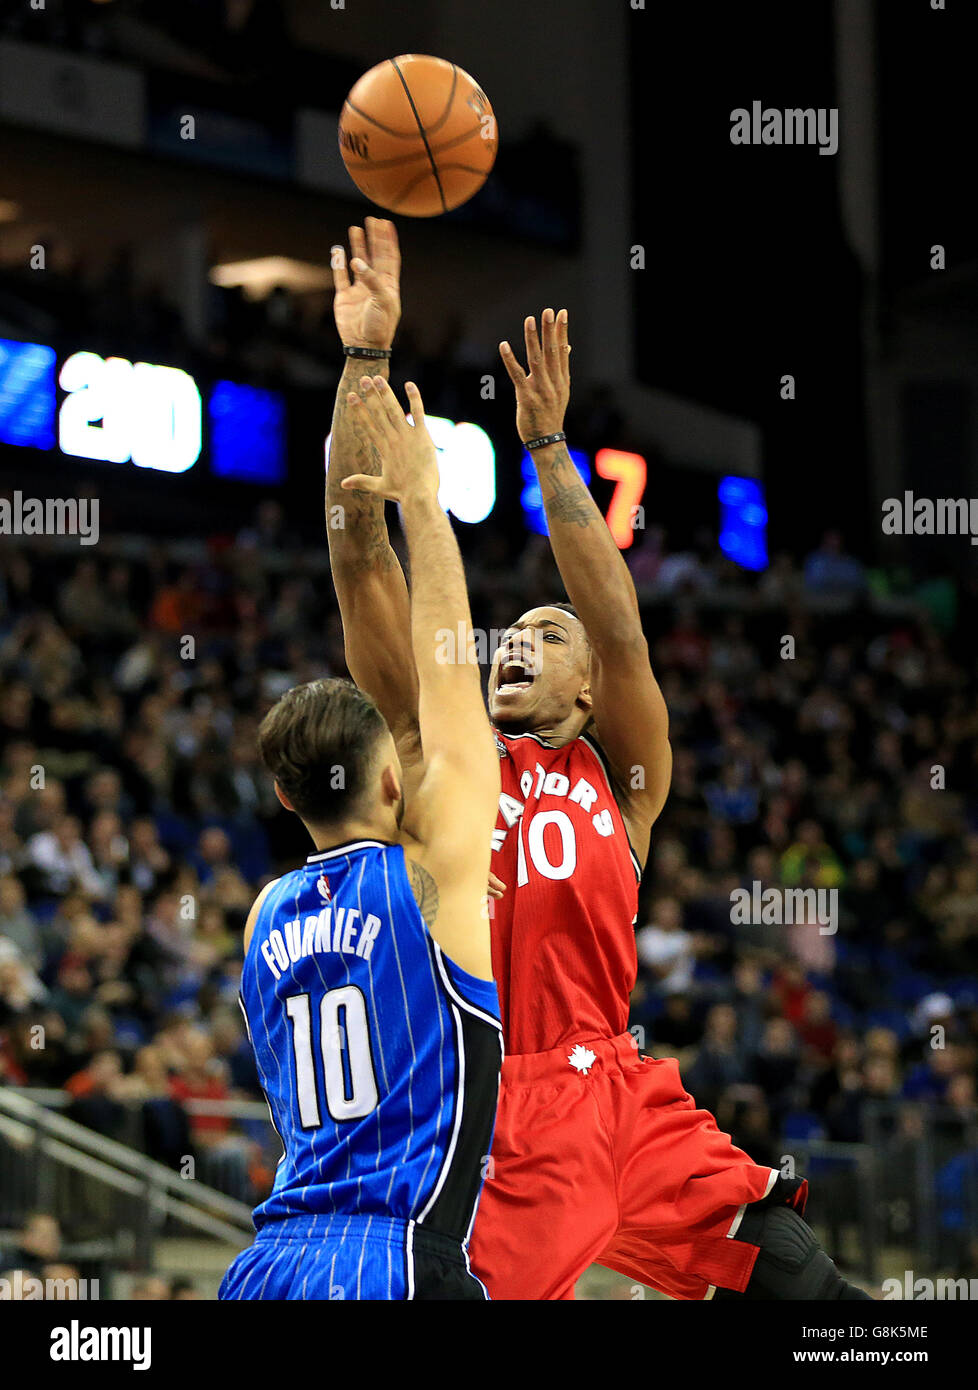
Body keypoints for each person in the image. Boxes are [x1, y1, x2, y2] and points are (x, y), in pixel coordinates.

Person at [327, 218, 872, 1302]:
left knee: (800, 1275)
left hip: (619, 1088)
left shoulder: (625, 782)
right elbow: (356, 554)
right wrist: (365, 360)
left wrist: (546, 446)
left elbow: (618, 623)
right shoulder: (444, 760)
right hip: (491, 1099)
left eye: (548, 633)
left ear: (588, 691)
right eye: (509, 631)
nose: (520, 639)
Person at [220, 377, 502, 1301]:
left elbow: (355, 577)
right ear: (392, 782)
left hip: (266, 1265)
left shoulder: (264, 916)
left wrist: (359, 355)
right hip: (389, 1260)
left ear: (283, 794)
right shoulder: (431, 877)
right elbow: (451, 672)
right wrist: (422, 497)